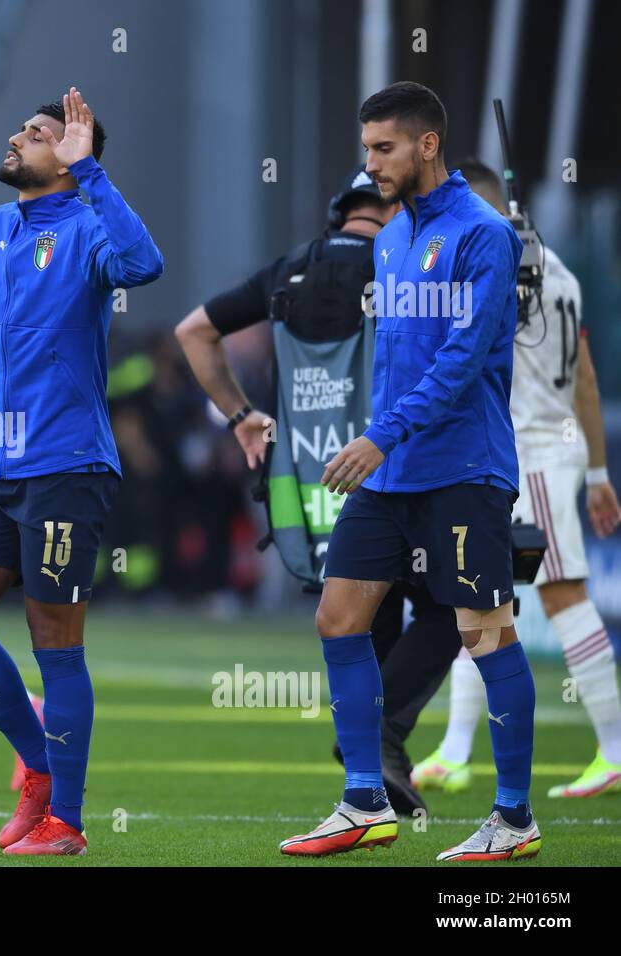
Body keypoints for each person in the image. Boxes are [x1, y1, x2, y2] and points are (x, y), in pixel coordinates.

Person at [279, 81, 537, 862]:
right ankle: (363, 799)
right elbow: (394, 360)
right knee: (338, 618)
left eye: (383, 148)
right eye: (366, 149)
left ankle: (515, 818)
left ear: (428, 145)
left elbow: (462, 361)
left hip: (461, 468)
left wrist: (379, 437)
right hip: (389, 476)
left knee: (482, 632)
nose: (371, 164)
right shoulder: (391, 239)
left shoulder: (485, 235)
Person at [0, 71, 163, 855]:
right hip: (0, 465)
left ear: (67, 157)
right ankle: (38, 763)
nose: (18, 137)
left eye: (37, 133)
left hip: (67, 467)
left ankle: (70, 821)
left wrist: (93, 169)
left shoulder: (87, 226)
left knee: (56, 643)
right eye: (22, 129)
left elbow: (144, 263)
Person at [176, 167, 462, 815]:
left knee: (364, 623)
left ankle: (378, 773)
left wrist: (239, 414)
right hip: (406, 469)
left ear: (341, 210)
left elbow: (191, 331)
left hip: (316, 483)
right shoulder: (407, 266)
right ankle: (383, 738)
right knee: (454, 607)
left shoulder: (289, 270)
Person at [412, 159, 621, 800]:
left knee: (563, 597)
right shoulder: (557, 269)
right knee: (483, 602)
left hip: (531, 454)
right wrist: (598, 470)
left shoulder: (499, 260)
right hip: (524, 455)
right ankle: (453, 750)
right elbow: (584, 376)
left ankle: (615, 751)